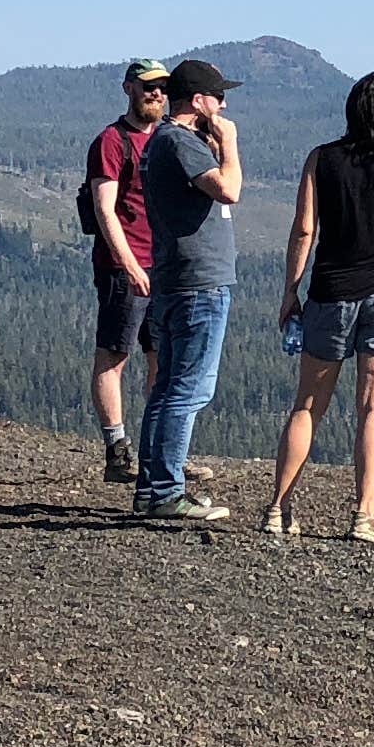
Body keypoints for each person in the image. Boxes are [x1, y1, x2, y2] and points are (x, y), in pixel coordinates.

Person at [266, 70, 374, 546]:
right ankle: (364, 515)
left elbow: (302, 231)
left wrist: (290, 291)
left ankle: (279, 508)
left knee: (308, 405)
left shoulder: (321, 159)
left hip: (331, 292)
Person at [126, 56, 243, 524]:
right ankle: (166, 491)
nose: (225, 104)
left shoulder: (164, 141)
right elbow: (229, 189)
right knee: (187, 391)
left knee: (168, 388)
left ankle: (153, 489)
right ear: (199, 101)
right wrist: (229, 144)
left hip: (176, 279)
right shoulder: (179, 141)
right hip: (198, 283)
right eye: (219, 96)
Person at [83, 59, 171, 482]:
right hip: (124, 267)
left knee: (163, 359)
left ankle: (159, 451)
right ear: (128, 89)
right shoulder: (112, 142)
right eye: (148, 86)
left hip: (165, 268)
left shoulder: (170, 139)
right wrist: (130, 265)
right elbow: (105, 210)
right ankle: (117, 450)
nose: (156, 93)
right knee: (114, 355)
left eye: (161, 87)